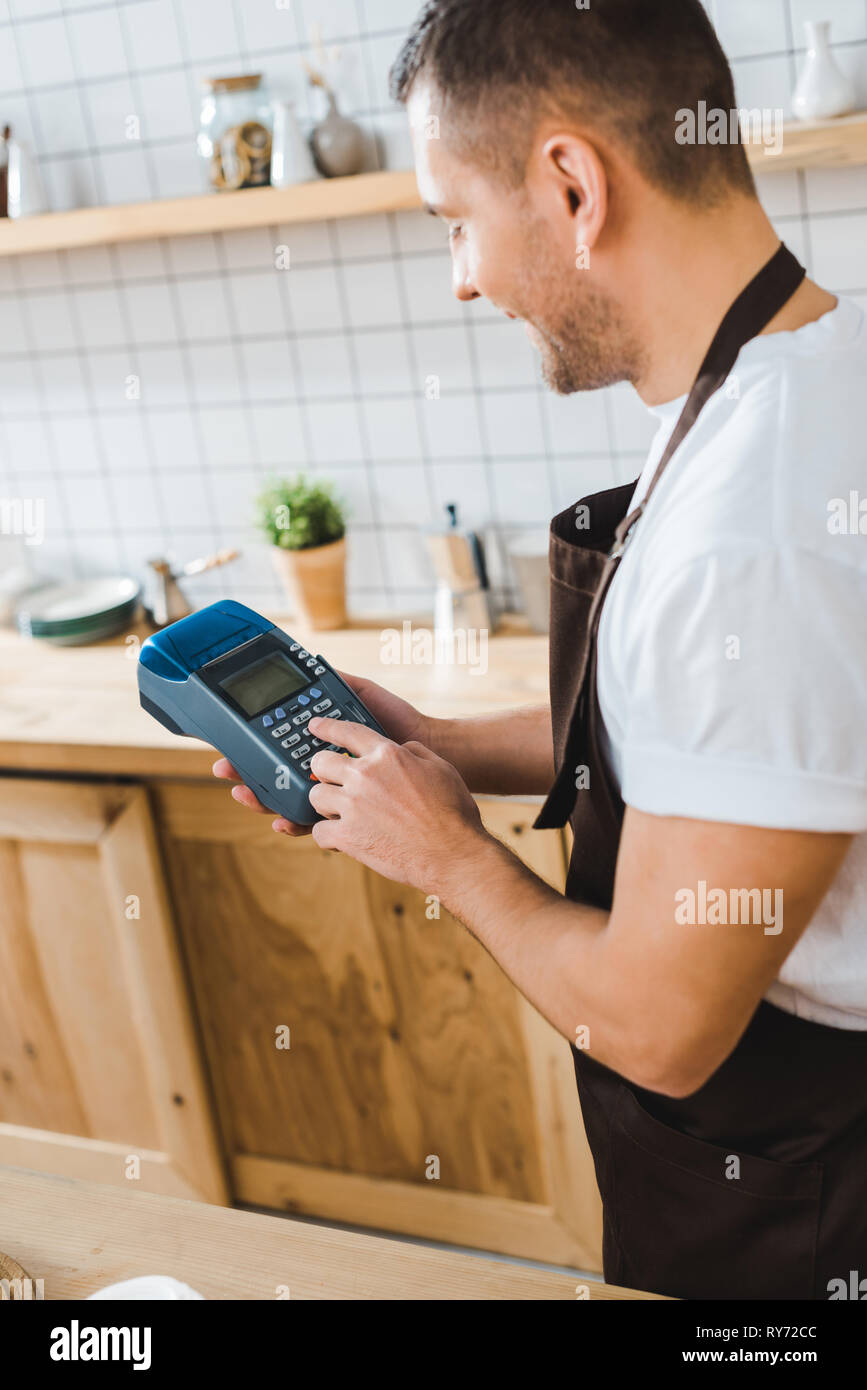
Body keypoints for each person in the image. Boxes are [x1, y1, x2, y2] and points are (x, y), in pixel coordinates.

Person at [214, 0, 867, 1300]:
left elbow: (662, 1027)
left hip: (796, 1199)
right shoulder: (799, 369)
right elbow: (711, 732)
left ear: (571, 185)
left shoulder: (754, 526)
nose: (462, 275)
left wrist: (446, 853)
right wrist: (443, 746)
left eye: (455, 219)